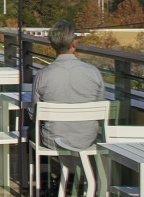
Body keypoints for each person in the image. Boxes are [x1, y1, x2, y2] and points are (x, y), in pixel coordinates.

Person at [29, 20, 105, 149]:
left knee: (30, 129)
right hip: (86, 140)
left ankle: (41, 168)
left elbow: (34, 114)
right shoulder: (94, 73)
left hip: (52, 141)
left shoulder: (42, 75)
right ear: (73, 43)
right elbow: (99, 107)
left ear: (53, 46)